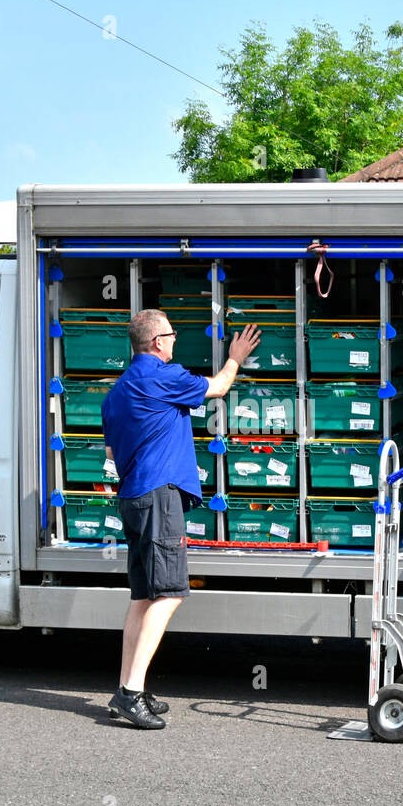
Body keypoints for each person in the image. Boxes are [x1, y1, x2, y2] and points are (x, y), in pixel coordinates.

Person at [101, 308, 261, 728]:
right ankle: (131, 692)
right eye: (171, 335)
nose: (175, 341)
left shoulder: (117, 393)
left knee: (142, 597)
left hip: (133, 497)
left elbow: (113, 455)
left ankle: (127, 688)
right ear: (157, 342)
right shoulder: (165, 377)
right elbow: (221, 387)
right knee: (169, 593)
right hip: (159, 497)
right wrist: (236, 355)